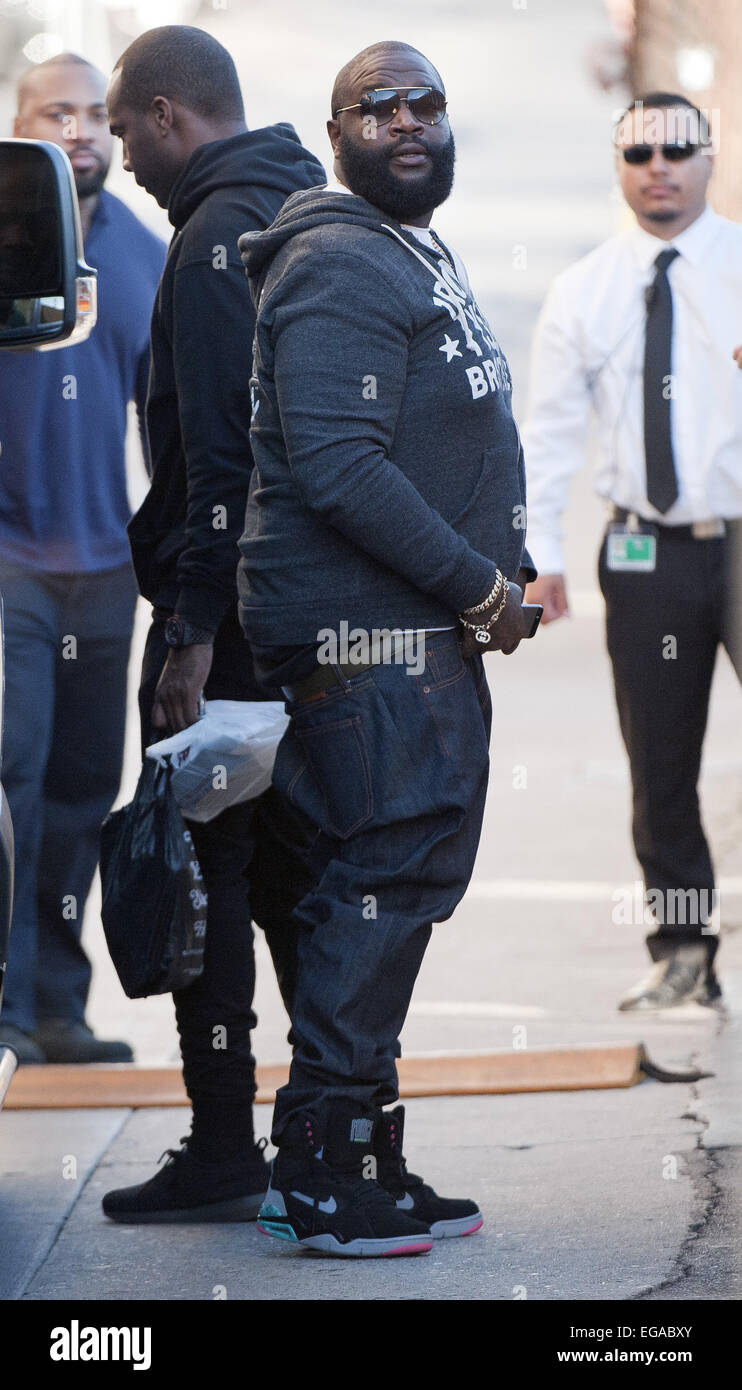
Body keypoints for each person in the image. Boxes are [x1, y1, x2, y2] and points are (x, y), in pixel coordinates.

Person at [237, 39, 536, 1257]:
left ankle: (360, 1148)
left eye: (425, 102)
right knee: (381, 881)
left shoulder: (407, 245)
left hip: (405, 630)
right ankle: (317, 1170)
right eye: (378, 107)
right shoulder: (337, 262)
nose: (407, 121)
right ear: (338, 128)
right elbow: (338, 464)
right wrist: (475, 589)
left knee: (386, 884)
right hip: (372, 635)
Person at [100, 26, 327, 1224]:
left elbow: (221, 456)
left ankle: (226, 1142)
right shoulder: (309, 202)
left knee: (206, 871)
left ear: (170, 115)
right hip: (306, 618)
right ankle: (330, 1122)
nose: (126, 157)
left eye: (130, 129)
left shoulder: (205, 245)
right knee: (293, 873)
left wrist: (187, 631)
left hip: (224, 621)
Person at [523, 93, 742, 1011]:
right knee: (660, 764)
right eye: (640, 151)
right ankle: (684, 951)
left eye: (677, 150)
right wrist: (540, 552)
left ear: (708, 158)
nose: (659, 166)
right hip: (646, 552)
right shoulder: (586, 289)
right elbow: (549, 433)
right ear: (621, 166)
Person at [0, 55, 165, 1065]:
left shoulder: (147, 254)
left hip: (104, 571)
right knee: (10, 785)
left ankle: (57, 1004)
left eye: (95, 115)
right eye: (54, 112)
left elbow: (171, 429)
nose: (79, 130)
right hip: (7, 564)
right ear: (17, 125)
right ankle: (7, 1005)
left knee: (80, 794)